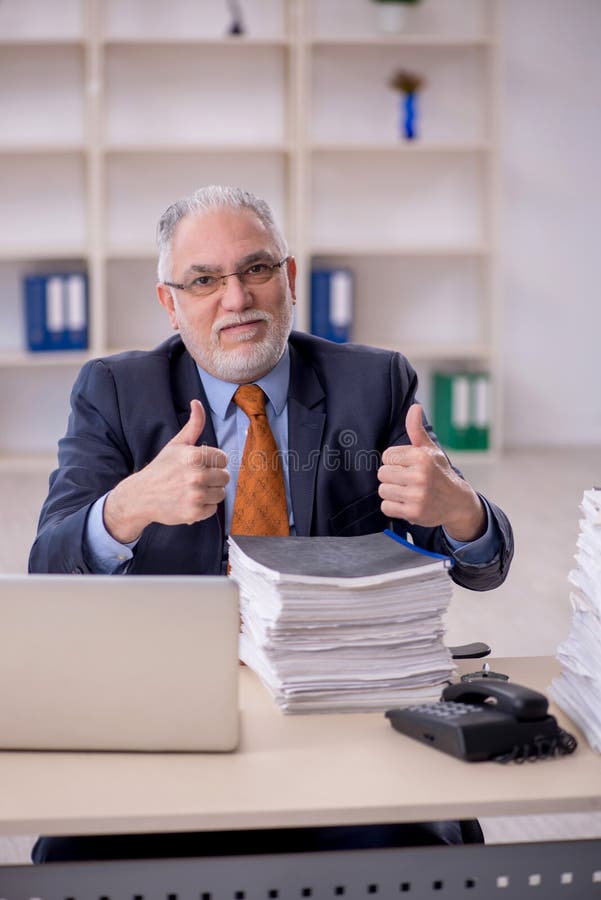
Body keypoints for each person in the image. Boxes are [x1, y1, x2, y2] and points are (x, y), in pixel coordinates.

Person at [30, 185, 513, 862]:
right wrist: (130, 505)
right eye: (204, 280)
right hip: (174, 703)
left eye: (256, 269)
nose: (236, 299)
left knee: (413, 850)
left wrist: (459, 511)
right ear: (170, 302)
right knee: (75, 861)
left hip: (339, 703)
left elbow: (482, 566)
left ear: (287, 278)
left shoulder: (373, 383)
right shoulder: (114, 391)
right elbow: (48, 568)